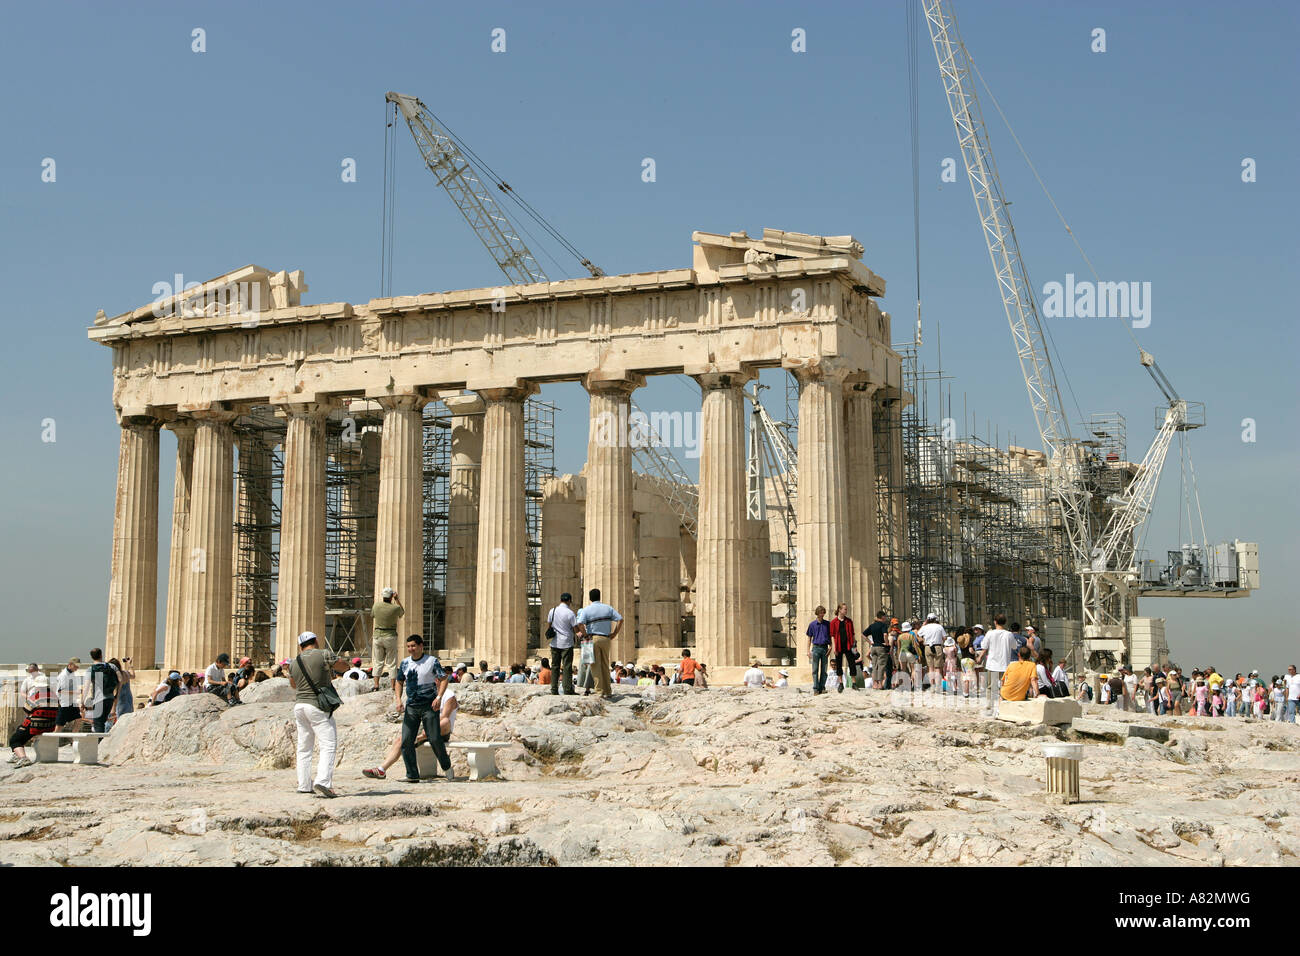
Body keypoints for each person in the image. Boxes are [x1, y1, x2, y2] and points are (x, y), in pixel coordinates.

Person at [363, 682, 459, 781]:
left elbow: (444, 716)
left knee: (444, 722)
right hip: (425, 728)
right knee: (401, 740)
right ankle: (381, 769)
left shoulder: (449, 695)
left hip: (441, 730)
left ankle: (419, 738)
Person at [288, 631, 339, 798]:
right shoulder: (323, 654)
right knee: (328, 744)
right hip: (317, 706)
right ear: (316, 641)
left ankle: (303, 784)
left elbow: (293, 684)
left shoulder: (295, 661)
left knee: (304, 747)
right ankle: (323, 781)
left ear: (300, 646)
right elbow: (342, 667)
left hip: (299, 705)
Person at [395, 634, 451, 784]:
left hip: (429, 706)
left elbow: (444, 679)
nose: (410, 649)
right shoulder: (405, 663)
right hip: (411, 707)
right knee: (406, 740)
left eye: (413, 646)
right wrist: (398, 699)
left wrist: (439, 697)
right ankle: (412, 774)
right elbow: (399, 681)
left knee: (434, 738)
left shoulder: (432, 661)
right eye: (408, 646)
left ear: (421, 646)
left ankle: (446, 766)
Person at [573, 589, 623, 699]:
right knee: (605, 664)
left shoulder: (587, 610)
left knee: (595, 665)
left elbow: (580, 623)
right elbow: (620, 619)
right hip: (606, 638)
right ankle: (608, 691)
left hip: (593, 638)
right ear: (600, 597)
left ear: (590, 598)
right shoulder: (608, 608)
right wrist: (614, 633)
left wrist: (585, 635)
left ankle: (599, 691)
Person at [7, 671, 56, 768]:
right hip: (50, 726)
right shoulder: (54, 696)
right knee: (19, 731)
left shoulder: (36, 696)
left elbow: (26, 709)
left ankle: (23, 758)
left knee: (14, 739)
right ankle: (17, 754)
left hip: (36, 726)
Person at [977, 615, 1015, 717]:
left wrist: (980, 657)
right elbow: (1014, 646)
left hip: (992, 664)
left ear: (995, 622)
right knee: (1004, 687)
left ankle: (990, 707)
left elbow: (984, 646)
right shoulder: (1009, 634)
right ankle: (1003, 706)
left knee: (990, 687)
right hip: (1005, 665)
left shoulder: (990, 633)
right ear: (1005, 622)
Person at [371, 586, 405, 692]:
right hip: (390, 635)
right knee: (392, 662)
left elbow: (372, 615)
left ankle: (376, 685)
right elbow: (402, 612)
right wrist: (397, 599)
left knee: (377, 661)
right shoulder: (395, 608)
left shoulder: (376, 605)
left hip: (377, 635)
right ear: (391, 596)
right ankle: (393, 686)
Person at [547, 592, 578, 695]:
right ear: (569, 600)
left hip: (555, 642)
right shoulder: (570, 613)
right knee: (567, 666)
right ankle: (567, 689)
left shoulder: (553, 610)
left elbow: (549, 624)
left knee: (555, 666)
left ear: (561, 600)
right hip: (567, 642)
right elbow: (575, 628)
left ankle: (554, 689)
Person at [84, 647, 119, 733]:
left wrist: (82, 701)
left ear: (92, 657)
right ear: (101, 655)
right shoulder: (112, 666)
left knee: (98, 724)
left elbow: (86, 687)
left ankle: (100, 745)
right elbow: (120, 680)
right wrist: (117, 694)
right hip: (110, 698)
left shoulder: (90, 669)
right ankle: (102, 743)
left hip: (99, 699)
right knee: (103, 722)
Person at [829, 603, 858, 692]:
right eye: (845, 609)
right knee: (839, 664)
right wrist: (834, 647)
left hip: (848, 645)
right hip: (838, 645)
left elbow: (852, 634)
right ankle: (840, 683)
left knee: (852, 663)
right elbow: (832, 635)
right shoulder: (834, 622)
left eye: (846, 609)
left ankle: (854, 683)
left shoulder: (849, 621)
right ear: (840, 610)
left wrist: (854, 645)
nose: (846, 611)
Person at [918, 613, 948, 692]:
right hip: (937, 646)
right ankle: (938, 686)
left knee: (930, 668)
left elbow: (918, 634)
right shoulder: (939, 627)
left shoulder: (925, 627)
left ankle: (932, 686)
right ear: (935, 619)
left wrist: (923, 625)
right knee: (938, 668)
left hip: (928, 647)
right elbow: (945, 637)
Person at [806, 605, 831, 695]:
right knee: (815, 669)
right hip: (816, 648)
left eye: (823, 612)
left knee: (824, 669)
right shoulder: (812, 624)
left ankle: (822, 687)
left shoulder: (828, 624)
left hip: (825, 648)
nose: (822, 614)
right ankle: (816, 688)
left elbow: (830, 636)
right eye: (821, 612)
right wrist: (808, 651)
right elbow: (809, 638)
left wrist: (831, 647)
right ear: (817, 613)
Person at [54, 657, 84, 732]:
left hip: (71, 702)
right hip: (64, 704)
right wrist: (76, 692)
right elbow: (61, 691)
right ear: (70, 665)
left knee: (79, 719)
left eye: (78, 667)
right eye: (76, 666)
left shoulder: (72, 674)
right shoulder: (64, 675)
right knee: (59, 726)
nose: (77, 668)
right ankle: (51, 742)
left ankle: (73, 739)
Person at [863, 610, 890, 690]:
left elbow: (863, 634)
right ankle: (880, 684)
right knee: (881, 666)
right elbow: (885, 634)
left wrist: (870, 642)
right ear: (882, 617)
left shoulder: (872, 626)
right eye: (884, 617)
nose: (885, 618)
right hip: (881, 647)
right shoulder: (883, 625)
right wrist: (886, 643)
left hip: (873, 647)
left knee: (875, 666)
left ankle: (874, 684)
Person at [895, 622, 921, 691]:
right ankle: (914, 685)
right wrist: (918, 655)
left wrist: (898, 656)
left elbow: (899, 647)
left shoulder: (899, 636)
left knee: (903, 669)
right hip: (909, 653)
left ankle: (902, 685)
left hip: (902, 653)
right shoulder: (911, 635)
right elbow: (915, 646)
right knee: (913, 669)